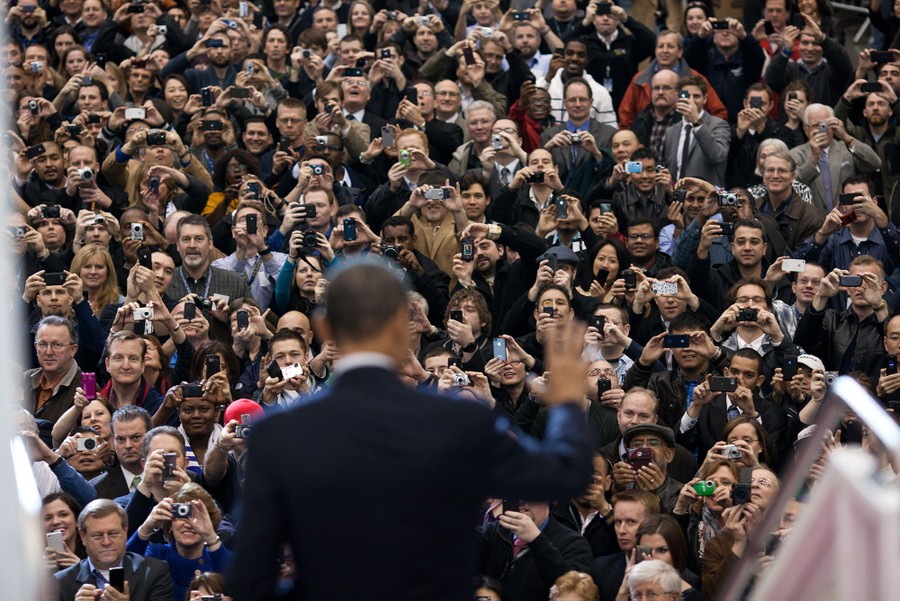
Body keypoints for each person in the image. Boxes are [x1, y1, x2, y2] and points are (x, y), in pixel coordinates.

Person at [231, 261, 594, 600]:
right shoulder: (459, 422)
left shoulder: (278, 435)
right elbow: (567, 472)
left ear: (324, 328)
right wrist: (566, 402)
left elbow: (250, 579)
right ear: (400, 326)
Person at [53, 498, 174, 601]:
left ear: (125, 532)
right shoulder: (61, 582)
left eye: (113, 534)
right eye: (97, 536)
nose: (106, 542)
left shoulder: (154, 572)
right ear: (83, 536)